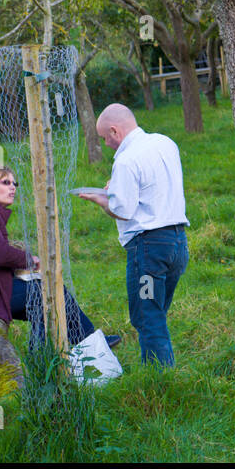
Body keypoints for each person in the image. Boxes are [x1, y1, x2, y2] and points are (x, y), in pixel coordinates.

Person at [0, 165, 117, 350]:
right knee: (44, 290)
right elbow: (0, 254)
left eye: (14, 183)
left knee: (43, 299)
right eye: (5, 182)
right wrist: (32, 261)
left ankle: (44, 359)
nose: (13, 187)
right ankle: (88, 344)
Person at [79, 104, 189, 367]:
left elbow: (124, 210)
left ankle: (159, 381)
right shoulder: (165, 143)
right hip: (177, 243)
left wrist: (103, 201)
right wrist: (119, 189)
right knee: (156, 312)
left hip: (148, 248)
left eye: (106, 138)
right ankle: (162, 369)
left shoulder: (126, 160)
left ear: (115, 131)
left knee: (147, 316)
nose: (106, 145)